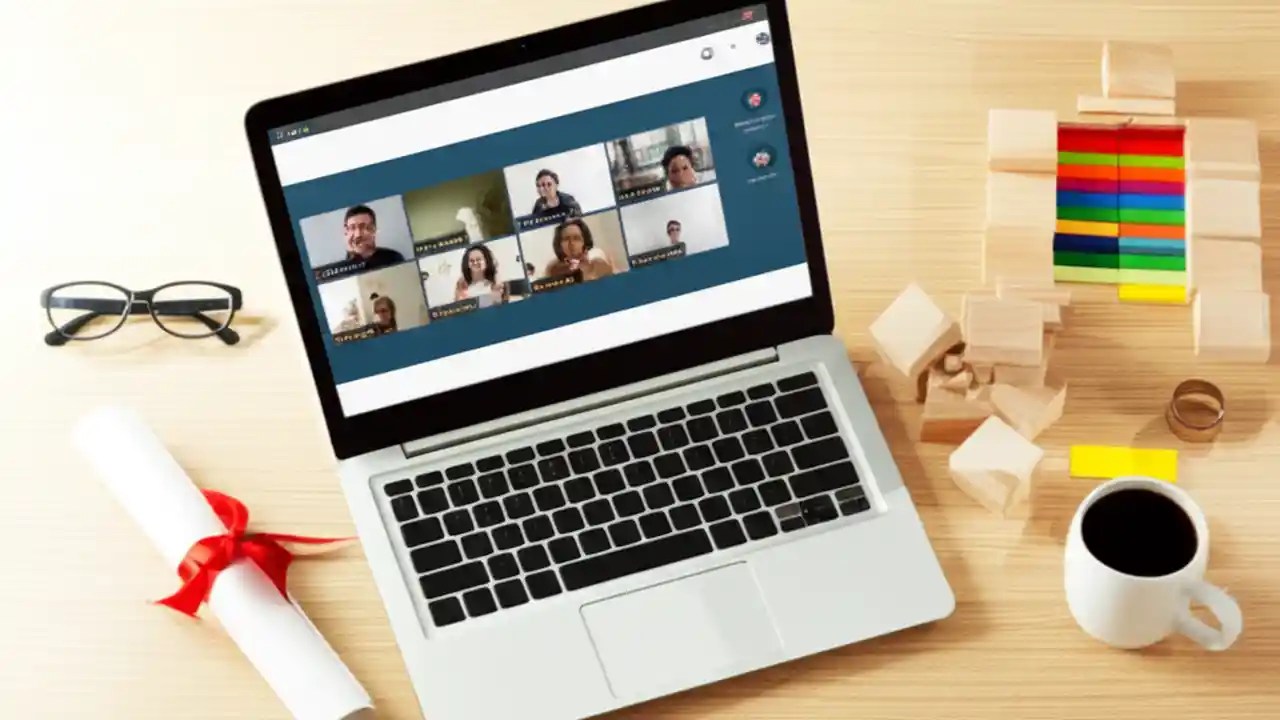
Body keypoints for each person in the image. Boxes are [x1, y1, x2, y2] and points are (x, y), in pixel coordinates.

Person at [544, 218, 614, 282]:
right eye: (566, 239)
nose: (571, 243)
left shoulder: (598, 264)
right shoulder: (553, 269)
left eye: (576, 238)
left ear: (585, 241)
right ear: (559, 243)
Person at [343, 205, 404, 269]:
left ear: (374, 230)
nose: (358, 234)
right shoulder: (342, 268)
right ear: (346, 232)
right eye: (352, 228)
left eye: (363, 227)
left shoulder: (393, 259)